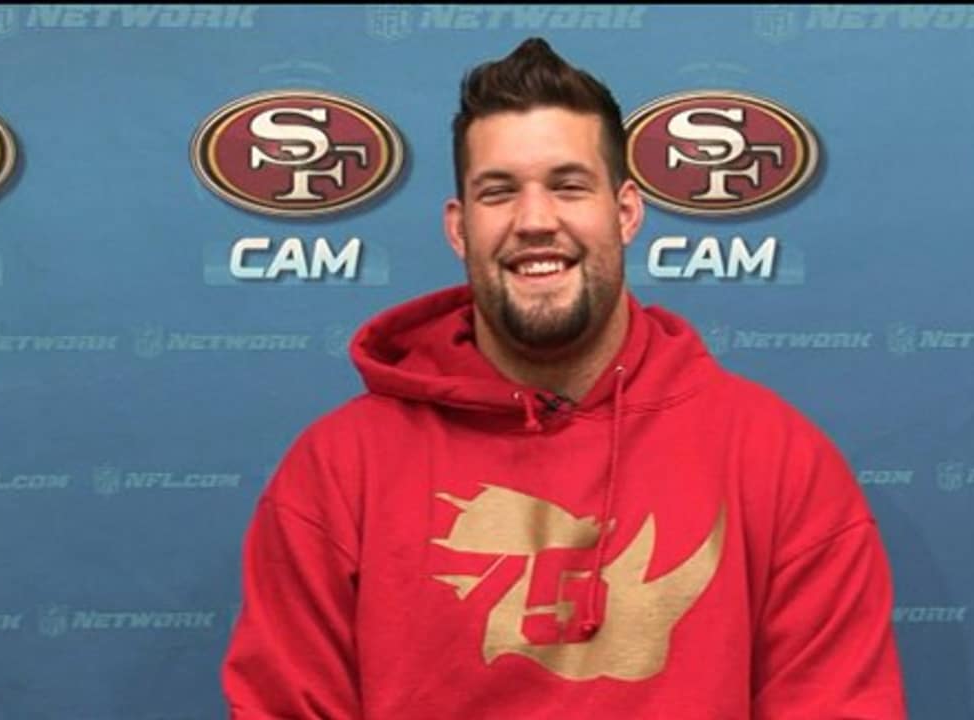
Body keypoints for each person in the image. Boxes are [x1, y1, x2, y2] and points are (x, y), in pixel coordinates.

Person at [222, 37, 906, 719]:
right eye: (499, 193)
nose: (535, 221)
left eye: (568, 185)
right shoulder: (340, 470)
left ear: (626, 212)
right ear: (460, 229)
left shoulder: (776, 460)